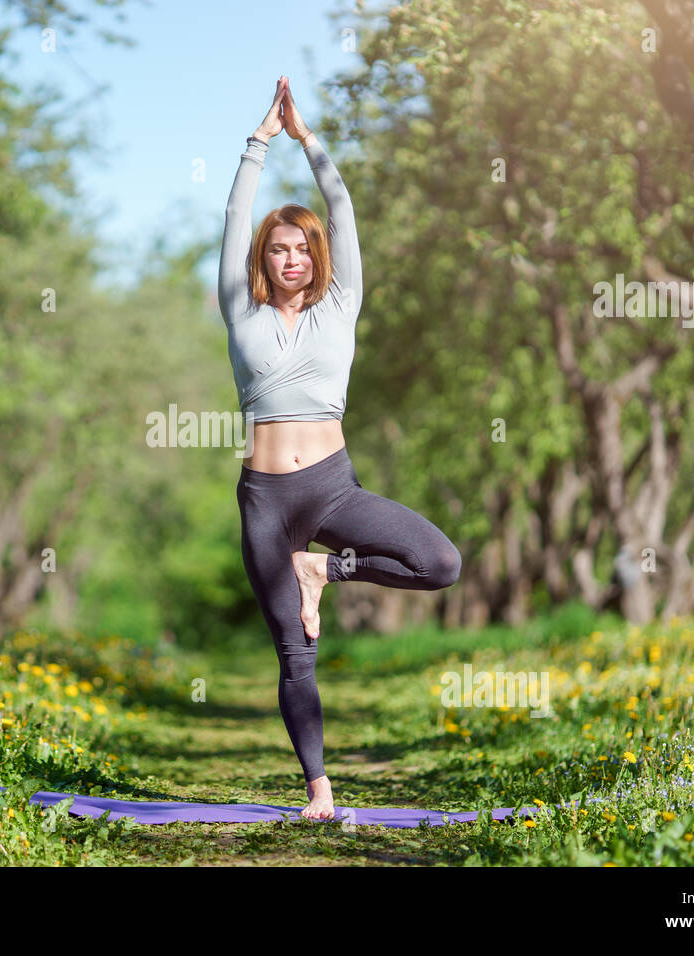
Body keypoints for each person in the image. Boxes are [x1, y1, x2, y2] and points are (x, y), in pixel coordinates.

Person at [218, 76, 463, 821]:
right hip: (265, 499)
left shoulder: (340, 306)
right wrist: (258, 143)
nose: (291, 258)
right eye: (278, 248)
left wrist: (309, 141)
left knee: (441, 563)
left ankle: (326, 569)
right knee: (295, 654)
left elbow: (345, 210)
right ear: (263, 258)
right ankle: (319, 791)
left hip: (331, 484)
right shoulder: (241, 310)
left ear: (317, 257)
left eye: (302, 248)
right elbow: (233, 217)